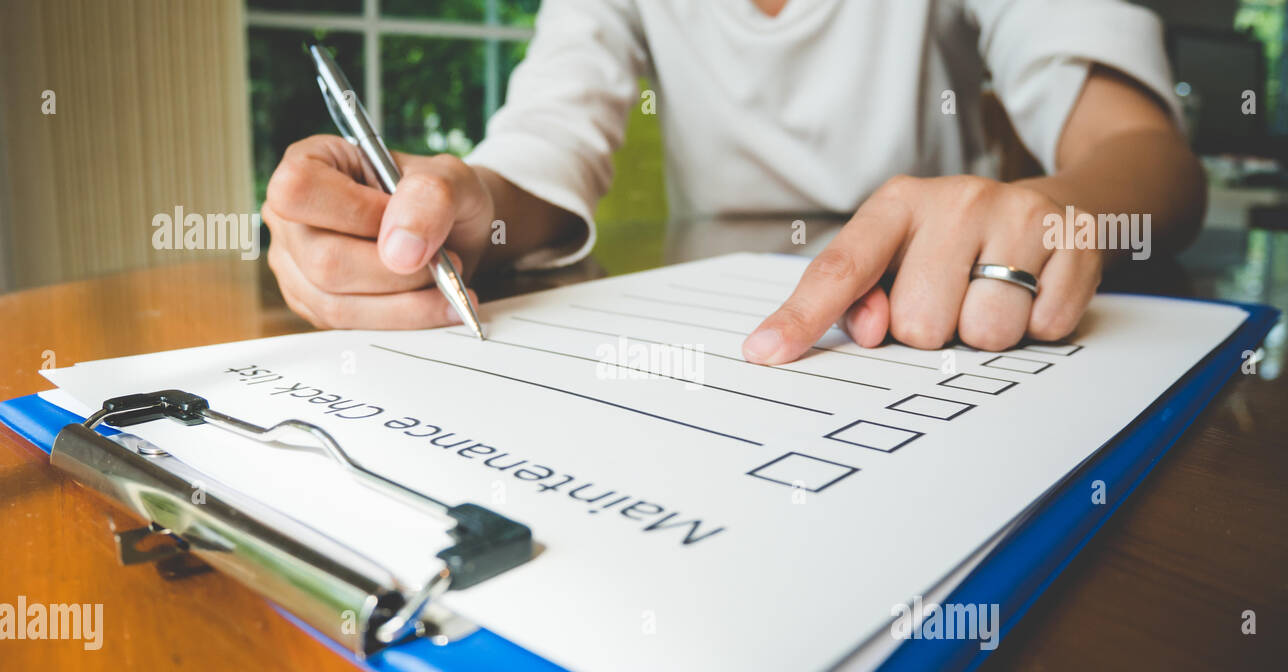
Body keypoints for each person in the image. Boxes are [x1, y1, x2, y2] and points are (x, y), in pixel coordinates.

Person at [262, 0, 1205, 362]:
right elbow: (547, 137)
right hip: (718, 320)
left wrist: (1053, 209)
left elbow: (1149, 153)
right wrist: (466, 212)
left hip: (946, 317)